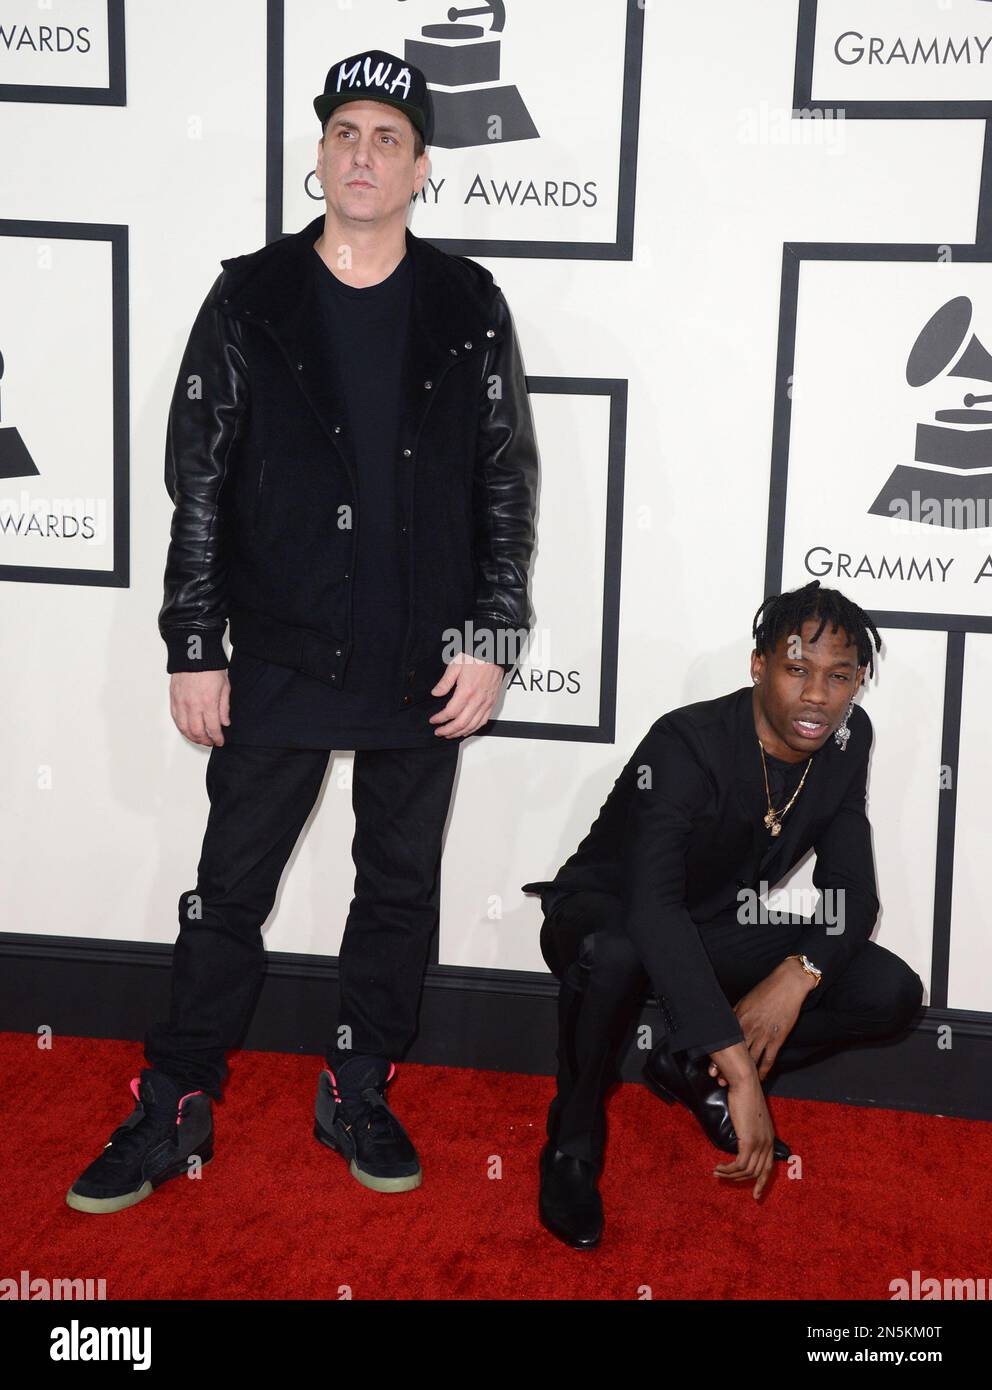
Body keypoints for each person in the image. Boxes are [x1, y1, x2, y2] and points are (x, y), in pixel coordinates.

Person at [66, 49, 539, 1214]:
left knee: (395, 885)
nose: (363, 154)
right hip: (275, 645)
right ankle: (176, 1097)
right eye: (344, 134)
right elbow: (202, 482)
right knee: (228, 886)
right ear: (319, 156)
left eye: (387, 137)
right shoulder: (250, 295)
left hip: (421, 655)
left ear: (422, 167)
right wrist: (193, 641)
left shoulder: (467, 303)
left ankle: (358, 1079)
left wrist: (491, 631)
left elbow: (502, 482)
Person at [522, 581, 924, 1249]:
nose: (818, 696)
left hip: (715, 922)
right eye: (798, 669)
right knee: (616, 952)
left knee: (889, 990)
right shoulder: (687, 742)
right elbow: (652, 907)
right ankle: (572, 1144)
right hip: (609, 909)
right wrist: (741, 1070)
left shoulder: (848, 740)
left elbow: (854, 891)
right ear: (759, 665)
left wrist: (798, 975)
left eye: (839, 677)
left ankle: (689, 1069)